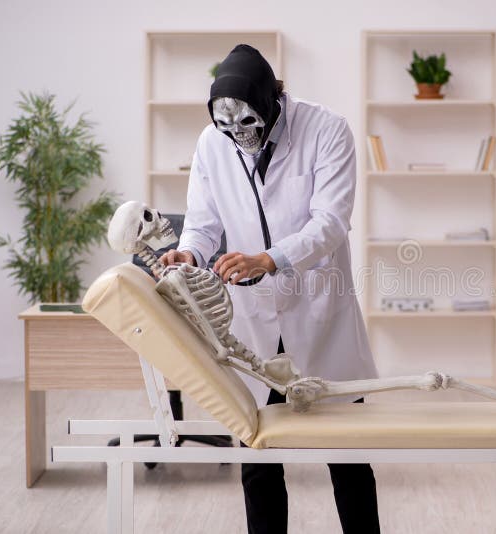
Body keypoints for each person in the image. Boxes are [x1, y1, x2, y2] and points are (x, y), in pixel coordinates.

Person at [159, 44, 381, 534]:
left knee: (347, 459)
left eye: (249, 125)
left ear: (273, 101)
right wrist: (190, 253)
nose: (240, 137)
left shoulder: (326, 130)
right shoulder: (211, 144)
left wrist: (270, 259)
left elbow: (331, 223)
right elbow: (202, 224)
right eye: (229, 128)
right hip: (252, 323)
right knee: (258, 462)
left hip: (320, 315)